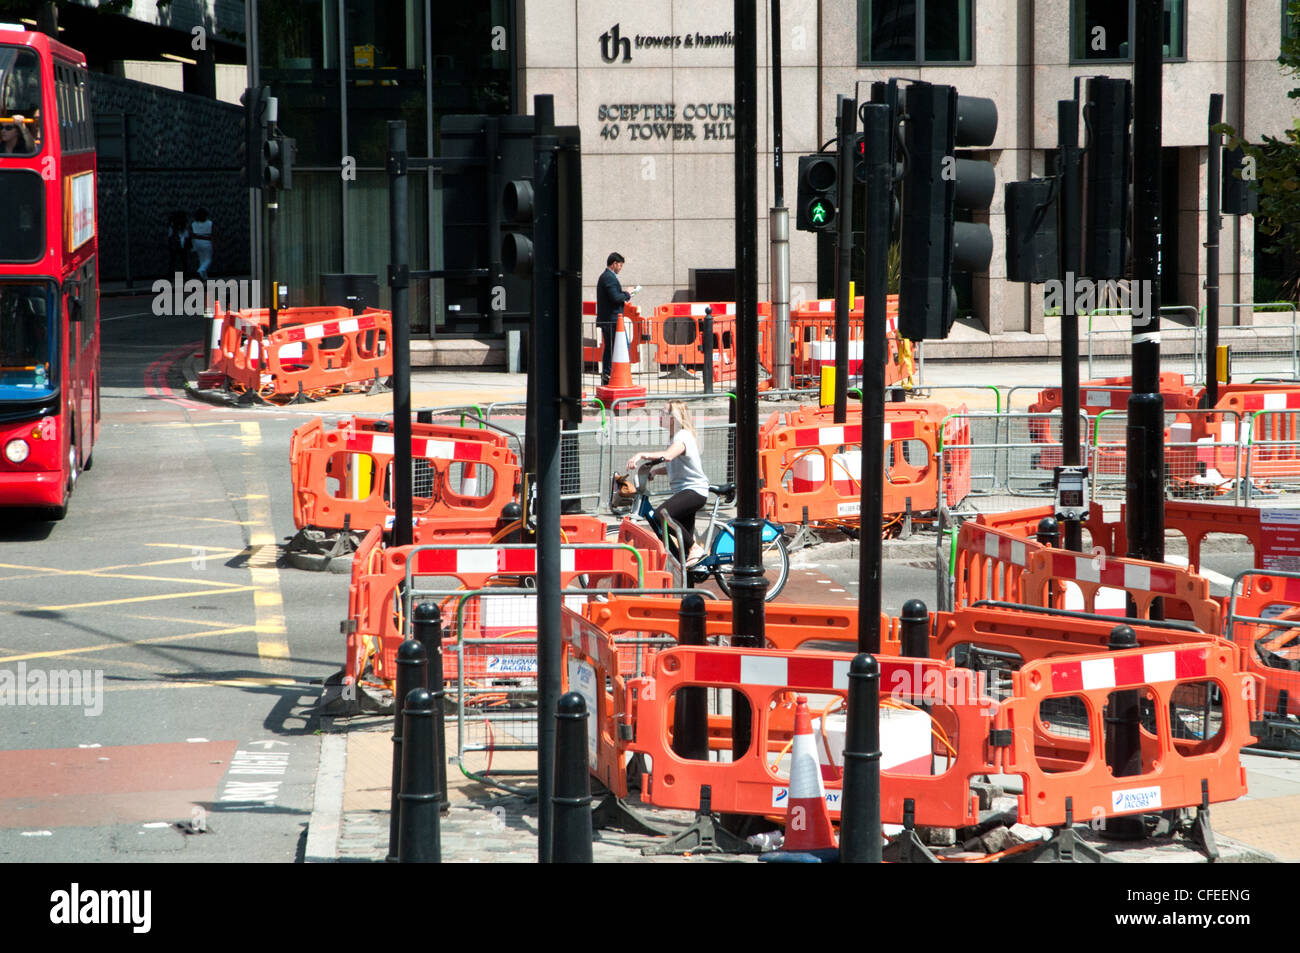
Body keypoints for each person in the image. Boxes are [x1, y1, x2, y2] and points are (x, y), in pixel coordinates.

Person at [626, 400, 709, 563]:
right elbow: (676, 464)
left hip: (694, 491)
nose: (660, 415)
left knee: (661, 516)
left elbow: (669, 455)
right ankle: (688, 576)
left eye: (663, 412)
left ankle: (695, 548)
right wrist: (656, 471)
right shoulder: (673, 437)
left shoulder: (682, 436)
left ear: (673, 418)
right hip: (684, 492)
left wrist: (642, 454)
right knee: (684, 552)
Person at [596, 252, 639, 385]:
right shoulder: (608, 277)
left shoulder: (607, 277)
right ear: (614, 264)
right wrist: (627, 293)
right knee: (617, 346)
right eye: (620, 265)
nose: (620, 268)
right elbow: (615, 298)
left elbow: (614, 296)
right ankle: (609, 374)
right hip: (612, 320)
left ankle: (608, 374)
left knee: (612, 346)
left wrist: (625, 294)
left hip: (611, 319)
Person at [190, 207, 214, 279]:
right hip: (207, 241)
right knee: (208, 259)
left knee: (201, 259)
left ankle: (204, 277)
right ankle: (200, 271)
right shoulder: (210, 223)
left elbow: (191, 234)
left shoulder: (193, 223)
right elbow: (213, 234)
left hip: (197, 242)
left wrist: (193, 245)